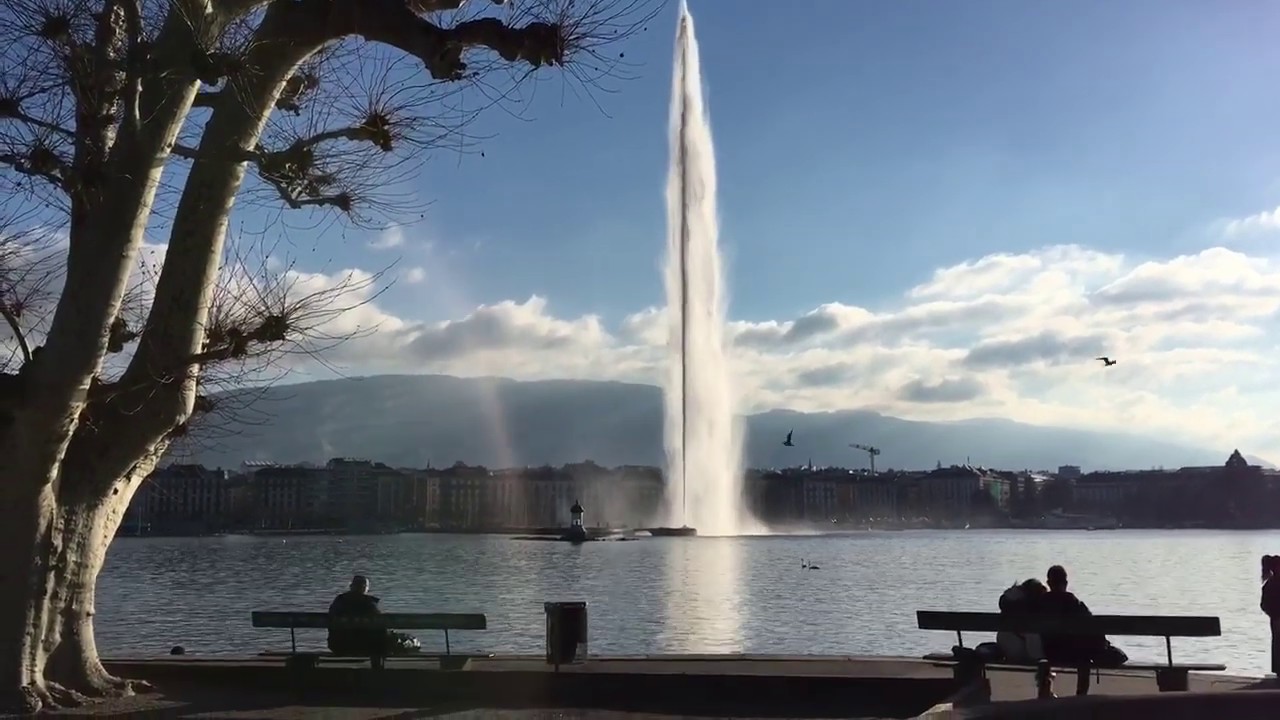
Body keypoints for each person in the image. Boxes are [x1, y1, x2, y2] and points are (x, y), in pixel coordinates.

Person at [1039, 565, 1105, 696]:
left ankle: (1044, 691)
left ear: (1048, 583)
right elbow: (1092, 625)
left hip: (1045, 651)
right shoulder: (1073, 602)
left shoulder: (1040, 602)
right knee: (1085, 659)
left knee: (1043, 659)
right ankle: (1081, 695)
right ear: (1066, 583)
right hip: (1072, 654)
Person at [327, 575, 420, 657]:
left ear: (351, 587)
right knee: (411, 641)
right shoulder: (369, 604)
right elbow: (381, 627)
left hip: (338, 645)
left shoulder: (338, 602)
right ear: (364, 588)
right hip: (367, 647)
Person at [995, 578, 1048, 664]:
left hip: (1004, 642)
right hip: (1019, 650)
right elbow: (1036, 654)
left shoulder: (1008, 602)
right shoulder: (1027, 610)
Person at [1261, 555, 1280, 677]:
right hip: (1277, 619)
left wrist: (1273, 615)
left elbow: (1264, 605)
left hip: (1276, 619)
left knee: (1277, 644)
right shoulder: (1274, 584)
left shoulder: (1269, 584)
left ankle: (1278, 670)